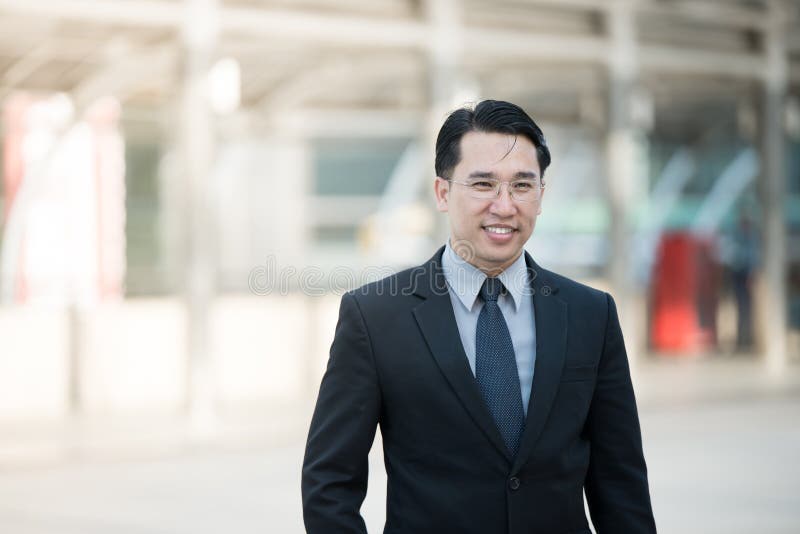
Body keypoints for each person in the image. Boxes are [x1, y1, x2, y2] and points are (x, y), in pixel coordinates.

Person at [302, 100, 656, 533]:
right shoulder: (375, 318)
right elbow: (329, 485)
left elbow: (621, 485)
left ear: (541, 195)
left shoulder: (591, 314)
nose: (504, 206)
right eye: (483, 184)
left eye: (522, 186)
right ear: (442, 193)